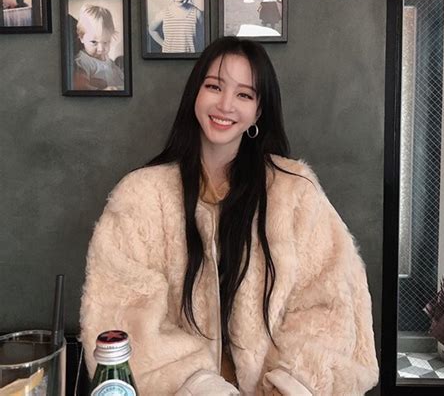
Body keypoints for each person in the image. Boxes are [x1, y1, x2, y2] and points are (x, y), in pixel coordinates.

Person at [80, 37, 379, 395]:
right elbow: (121, 311)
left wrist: (288, 386)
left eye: (244, 94)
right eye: (214, 86)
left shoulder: (295, 193)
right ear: (195, 93)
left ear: (258, 111)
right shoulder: (141, 197)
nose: (225, 104)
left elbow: (331, 304)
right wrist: (201, 387)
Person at [73, 4, 124, 91]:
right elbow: (81, 86)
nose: (101, 49)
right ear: (81, 37)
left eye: (106, 42)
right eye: (94, 42)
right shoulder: (83, 61)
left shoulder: (107, 60)